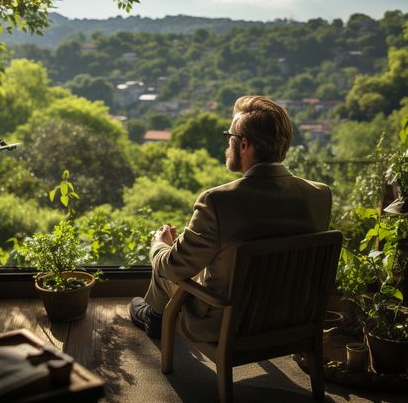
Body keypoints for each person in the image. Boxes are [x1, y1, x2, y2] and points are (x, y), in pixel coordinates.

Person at [129, 96, 332, 341]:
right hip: (290, 317)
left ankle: (155, 316)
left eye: (230, 138)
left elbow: (174, 267)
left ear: (244, 145)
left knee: (164, 262)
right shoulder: (319, 195)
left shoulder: (217, 201)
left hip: (227, 324)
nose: (227, 146)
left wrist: (159, 244)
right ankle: (156, 316)